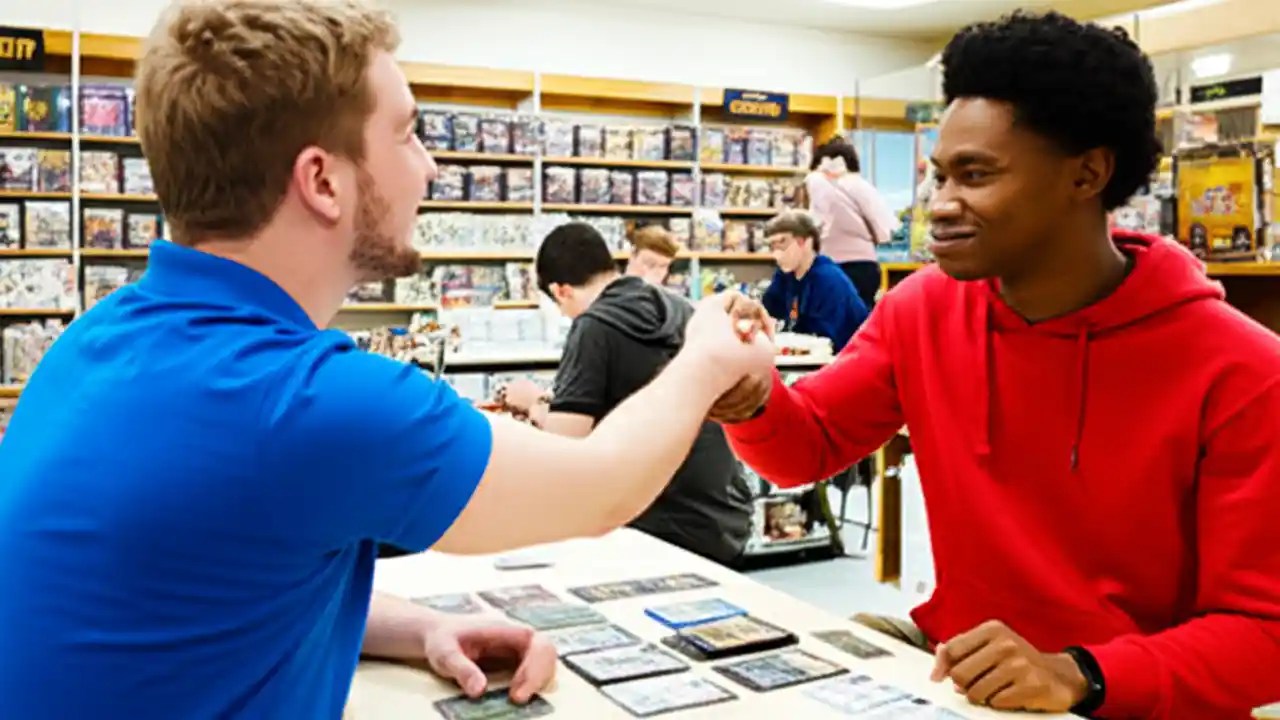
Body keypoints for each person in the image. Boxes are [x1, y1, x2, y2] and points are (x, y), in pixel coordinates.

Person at [0, 2, 774, 718]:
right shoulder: (312, 401)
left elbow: (200, 583)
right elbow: (601, 489)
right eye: (407, 133)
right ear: (322, 181)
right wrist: (705, 356)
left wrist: (420, 626)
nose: (432, 167)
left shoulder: (94, 341)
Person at [713, 11, 1280, 720]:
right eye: (939, 176)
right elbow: (810, 445)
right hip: (958, 675)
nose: (939, 206)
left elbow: (1266, 633)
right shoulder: (921, 309)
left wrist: (1081, 675)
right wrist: (749, 395)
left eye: (975, 175)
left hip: (1125, 697)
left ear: (1088, 174)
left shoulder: (1245, 372)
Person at [503, 222, 754, 566]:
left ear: (561, 291)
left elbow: (566, 443)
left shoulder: (594, 325)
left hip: (654, 524)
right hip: (724, 515)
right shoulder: (681, 309)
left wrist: (533, 401)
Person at [806, 137, 898, 311]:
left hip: (826, 264)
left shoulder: (816, 186)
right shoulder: (860, 186)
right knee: (860, 320)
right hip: (862, 264)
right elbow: (883, 229)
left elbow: (814, 226)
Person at [761, 211, 869, 352]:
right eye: (772, 246)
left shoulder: (828, 279)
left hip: (846, 358)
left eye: (783, 242)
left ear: (806, 242)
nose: (777, 253)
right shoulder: (785, 276)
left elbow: (826, 342)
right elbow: (768, 311)